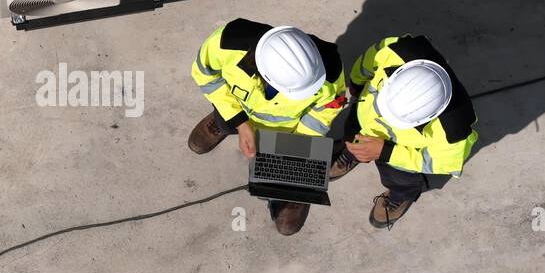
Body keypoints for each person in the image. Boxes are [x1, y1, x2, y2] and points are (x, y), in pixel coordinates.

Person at [190, 18, 348, 235]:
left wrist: (294, 151)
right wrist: (239, 122)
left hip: (288, 131)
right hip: (238, 108)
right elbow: (205, 75)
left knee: (289, 167)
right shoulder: (228, 43)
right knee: (225, 117)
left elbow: (322, 114)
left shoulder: (328, 72)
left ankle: (291, 192)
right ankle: (223, 124)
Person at [330, 35, 478, 228]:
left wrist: (387, 152)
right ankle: (352, 153)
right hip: (362, 118)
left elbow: (442, 163)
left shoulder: (455, 129)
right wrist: (357, 83)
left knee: (400, 179)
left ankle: (400, 196)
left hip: (401, 153)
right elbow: (369, 60)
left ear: (430, 117)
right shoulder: (400, 50)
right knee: (351, 134)